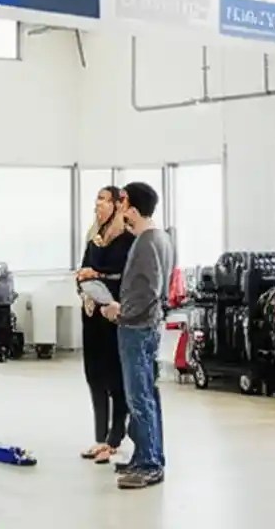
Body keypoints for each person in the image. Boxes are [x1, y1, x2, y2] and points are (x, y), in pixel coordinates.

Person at [101, 181, 173, 489]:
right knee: (146, 394)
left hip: (136, 329)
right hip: (145, 326)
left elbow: (147, 292)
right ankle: (147, 454)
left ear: (132, 207)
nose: (121, 211)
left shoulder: (146, 243)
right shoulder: (159, 239)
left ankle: (149, 464)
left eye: (123, 204)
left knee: (139, 396)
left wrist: (119, 311)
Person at [75, 186, 134, 465]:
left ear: (117, 204)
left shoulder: (127, 240)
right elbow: (82, 272)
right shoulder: (94, 239)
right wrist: (84, 292)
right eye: (96, 199)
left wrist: (97, 277)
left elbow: (125, 278)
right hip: (91, 315)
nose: (98, 205)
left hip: (113, 315)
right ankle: (100, 437)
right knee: (94, 375)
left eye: (103, 199)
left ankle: (115, 438)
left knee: (115, 378)